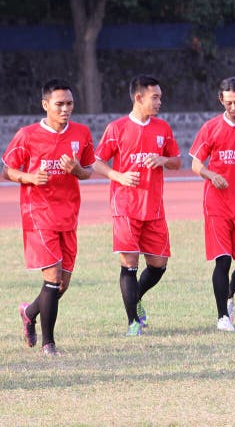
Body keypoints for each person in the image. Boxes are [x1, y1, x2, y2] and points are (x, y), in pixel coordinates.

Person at [2, 79, 94, 356]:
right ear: (45, 105)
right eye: (59, 104)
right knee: (52, 278)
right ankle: (48, 343)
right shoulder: (28, 135)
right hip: (38, 214)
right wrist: (29, 177)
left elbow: (88, 170)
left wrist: (77, 169)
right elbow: (7, 169)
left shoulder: (81, 133)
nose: (66, 109)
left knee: (61, 285)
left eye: (69, 104)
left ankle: (29, 312)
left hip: (69, 214)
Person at [93, 75, 181, 336]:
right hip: (125, 207)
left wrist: (162, 159)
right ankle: (133, 322)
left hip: (153, 208)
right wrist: (118, 176)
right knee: (129, 263)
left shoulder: (163, 128)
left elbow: (177, 161)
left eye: (160, 97)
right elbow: (97, 162)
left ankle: (136, 298)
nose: (159, 102)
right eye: (155, 97)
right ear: (138, 97)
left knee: (159, 265)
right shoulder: (117, 128)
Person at [190, 77, 235, 331]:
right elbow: (196, 163)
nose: (234, 107)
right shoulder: (210, 128)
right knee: (223, 260)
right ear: (221, 100)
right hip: (217, 204)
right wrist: (211, 174)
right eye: (229, 102)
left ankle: (229, 295)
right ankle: (222, 317)